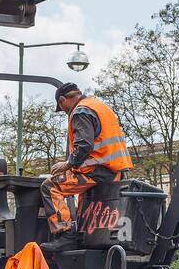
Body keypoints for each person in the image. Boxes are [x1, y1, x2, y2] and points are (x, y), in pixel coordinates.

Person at [39, 83, 133, 238]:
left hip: (96, 171)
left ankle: (65, 234)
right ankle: (84, 236)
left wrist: (67, 164)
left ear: (63, 100)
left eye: (61, 107)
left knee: (50, 187)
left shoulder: (80, 112)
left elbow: (84, 145)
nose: (64, 111)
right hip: (115, 170)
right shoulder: (99, 107)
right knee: (84, 201)